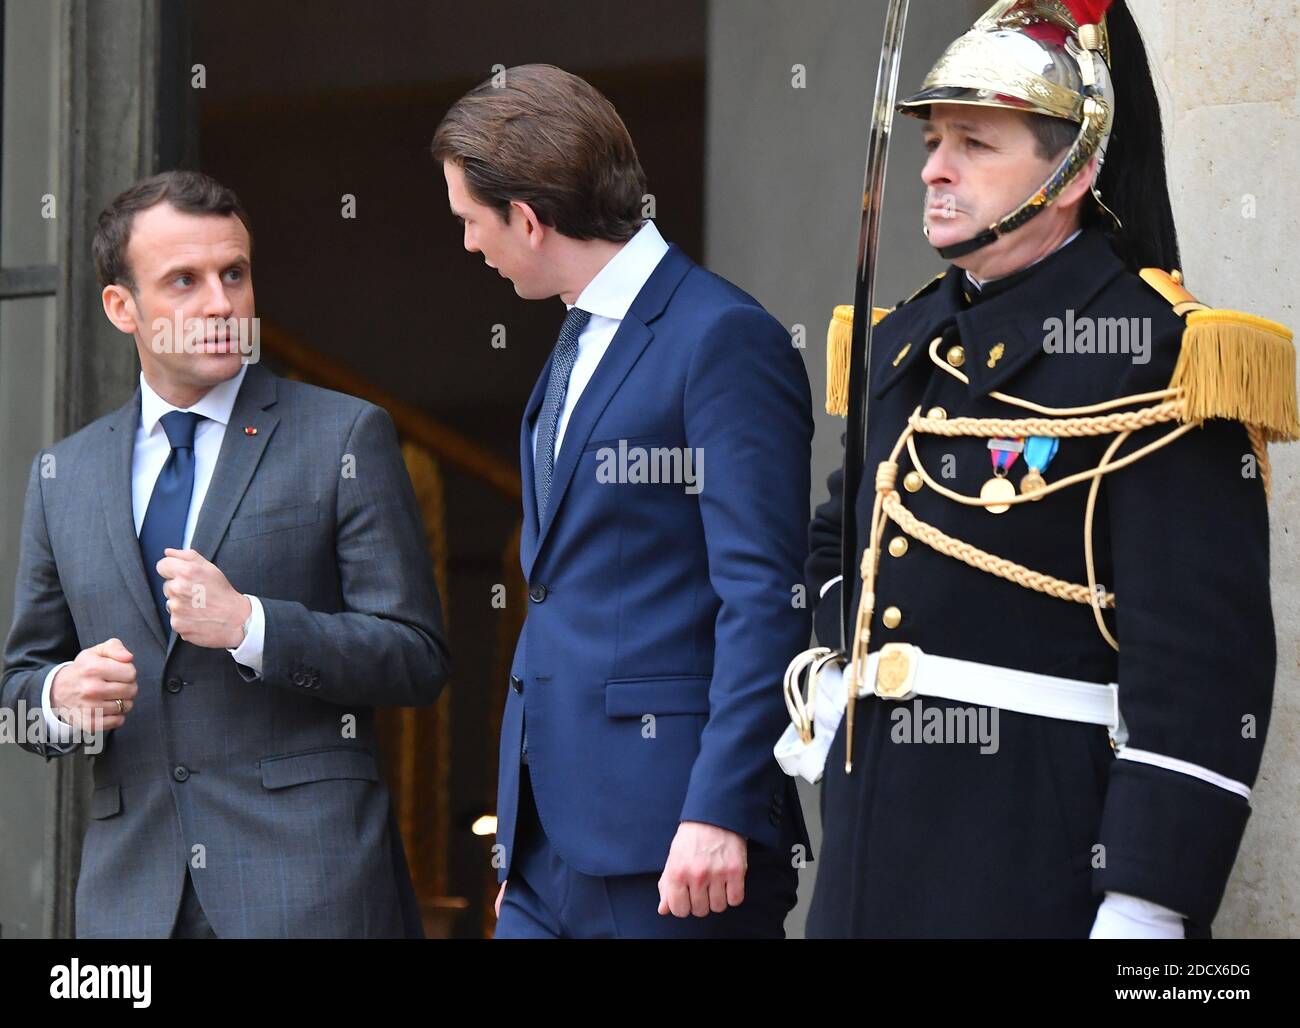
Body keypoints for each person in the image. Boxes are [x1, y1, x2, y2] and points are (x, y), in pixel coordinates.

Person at [789, 0, 1297, 937]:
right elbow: (837, 535)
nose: (936, 170)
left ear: (1074, 169)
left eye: (975, 144)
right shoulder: (905, 340)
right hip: (872, 859)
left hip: (1037, 859)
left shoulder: (1157, 357)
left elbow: (1199, 669)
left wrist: (1146, 901)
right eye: (935, 140)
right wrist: (839, 661)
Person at [1, 170, 449, 938]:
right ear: (122, 308)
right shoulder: (61, 476)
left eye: (233, 274)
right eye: (183, 280)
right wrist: (58, 700)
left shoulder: (343, 437)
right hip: (130, 907)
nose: (220, 303)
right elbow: (19, 691)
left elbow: (416, 658)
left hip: (311, 894)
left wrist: (252, 625)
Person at [432, 64, 813, 938]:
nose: (465, 245)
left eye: (469, 220)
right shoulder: (578, 333)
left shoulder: (720, 338)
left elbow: (763, 598)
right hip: (545, 849)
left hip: (675, 849)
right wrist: (518, 843)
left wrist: (719, 808)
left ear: (527, 220)